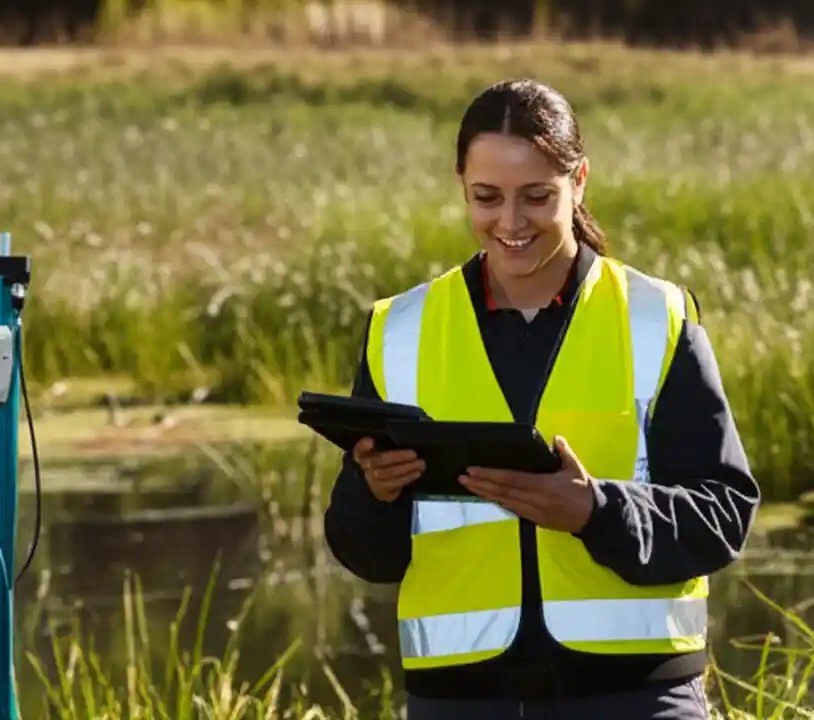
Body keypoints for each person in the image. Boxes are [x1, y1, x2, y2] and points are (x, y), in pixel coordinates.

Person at [323, 78, 760, 720]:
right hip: (460, 703)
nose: (510, 222)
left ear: (579, 180)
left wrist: (596, 509)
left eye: (536, 197)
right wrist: (376, 492)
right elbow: (363, 549)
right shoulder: (400, 329)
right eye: (486, 197)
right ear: (461, 186)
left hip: (637, 698)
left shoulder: (656, 317)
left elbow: (723, 512)